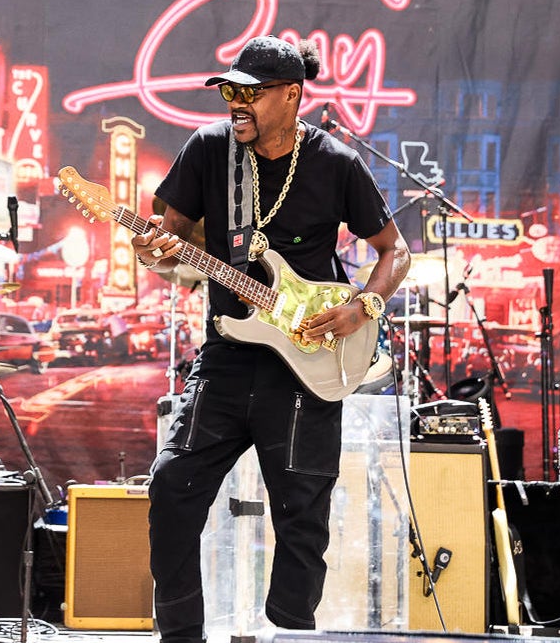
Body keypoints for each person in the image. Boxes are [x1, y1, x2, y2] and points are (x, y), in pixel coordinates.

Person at [132, 35, 412, 641]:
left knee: (302, 518)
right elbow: (167, 240)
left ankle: (288, 634)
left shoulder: (335, 162)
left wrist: (363, 306)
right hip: (228, 355)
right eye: (231, 93)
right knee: (172, 487)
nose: (238, 104)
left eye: (252, 94)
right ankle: (180, 635)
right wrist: (150, 249)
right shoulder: (209, 149)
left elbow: (394, 250)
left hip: (307, 363)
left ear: (292, 95)